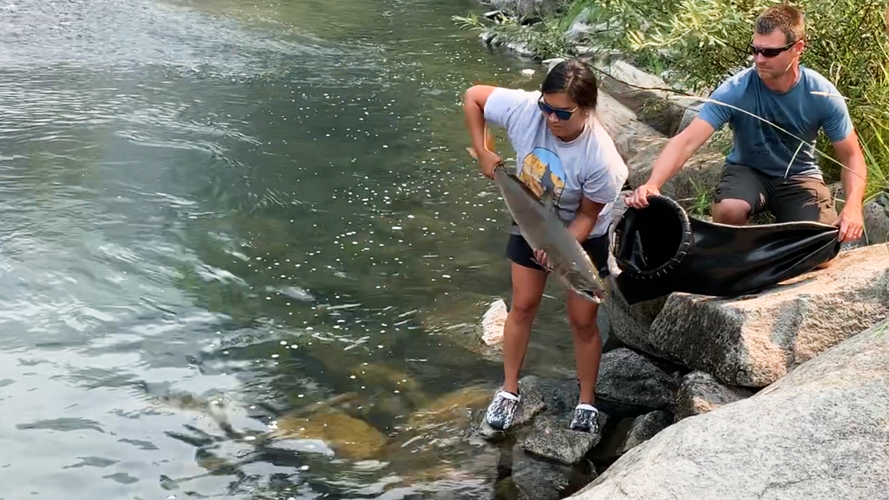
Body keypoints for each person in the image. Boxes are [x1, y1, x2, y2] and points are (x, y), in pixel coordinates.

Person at [462, 59, 628, 434]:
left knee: (583, 319)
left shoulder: (603, 161)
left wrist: (558, 250)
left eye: (563, 113)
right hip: (530, 217)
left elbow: (587, 216)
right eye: (546, 108)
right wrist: (483, 150)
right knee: (522, 305)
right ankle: (508, 391)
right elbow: (472, 97)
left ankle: (587, 401)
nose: (551, 119)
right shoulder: (526, 109)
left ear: (586, 110)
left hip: (584, 235)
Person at [626, 4, 866, 244]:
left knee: (819, 244)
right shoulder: (735, 90)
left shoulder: (821, 94)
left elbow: (852, 157)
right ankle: (742, 252)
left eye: (770, 52)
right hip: (748, 171)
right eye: (755, 50)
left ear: (797, 49)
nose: (759, 59)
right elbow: (687, 141)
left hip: (799, 176)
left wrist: (853, 206)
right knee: (730, 210)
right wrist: (652, 184)